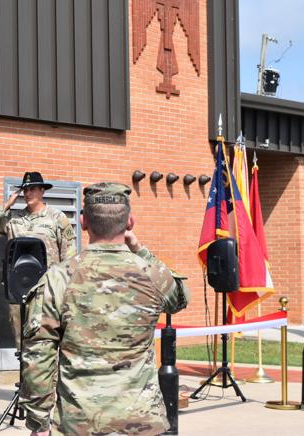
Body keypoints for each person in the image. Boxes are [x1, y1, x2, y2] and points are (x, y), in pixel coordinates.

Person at [20, 183, 191, 435]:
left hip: (80, 423)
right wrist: (139, 248)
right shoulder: (150, 274)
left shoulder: (58, 278)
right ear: (130, 222)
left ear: (83, 222)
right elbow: (180, 297)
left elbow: (39, 354)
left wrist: (39, 421)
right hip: (140, 422)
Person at [0, 171, 76, 348]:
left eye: (32, 189)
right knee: (22, 345)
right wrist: (7, 205)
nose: (27, 193)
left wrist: (65, 291)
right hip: (18, 290)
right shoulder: (14, 219)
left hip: (47, 291)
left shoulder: (57, 218)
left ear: (42, 191)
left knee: (46, 343)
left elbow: (68, 257)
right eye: (25, 190)